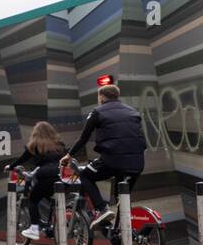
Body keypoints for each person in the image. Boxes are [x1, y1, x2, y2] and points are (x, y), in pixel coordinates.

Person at [61, 82, 146, 233]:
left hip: (112, 160)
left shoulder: (98, 112)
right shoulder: (133, 111)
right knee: (122, 197)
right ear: (117, 96)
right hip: (137, 162)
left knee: (85, 176)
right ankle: (120, 235)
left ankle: (101, 209)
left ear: (101, 97)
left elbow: (83, 138)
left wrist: (68, 155)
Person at [8, 121, 65, 240]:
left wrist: (11, 167)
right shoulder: (59, 144)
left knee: (33, 199)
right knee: (52, 199)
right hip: (60, 176)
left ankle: (34, 228)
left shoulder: (35, 145)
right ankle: (51, 225)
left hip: (45, 176)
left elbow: (22, 159)